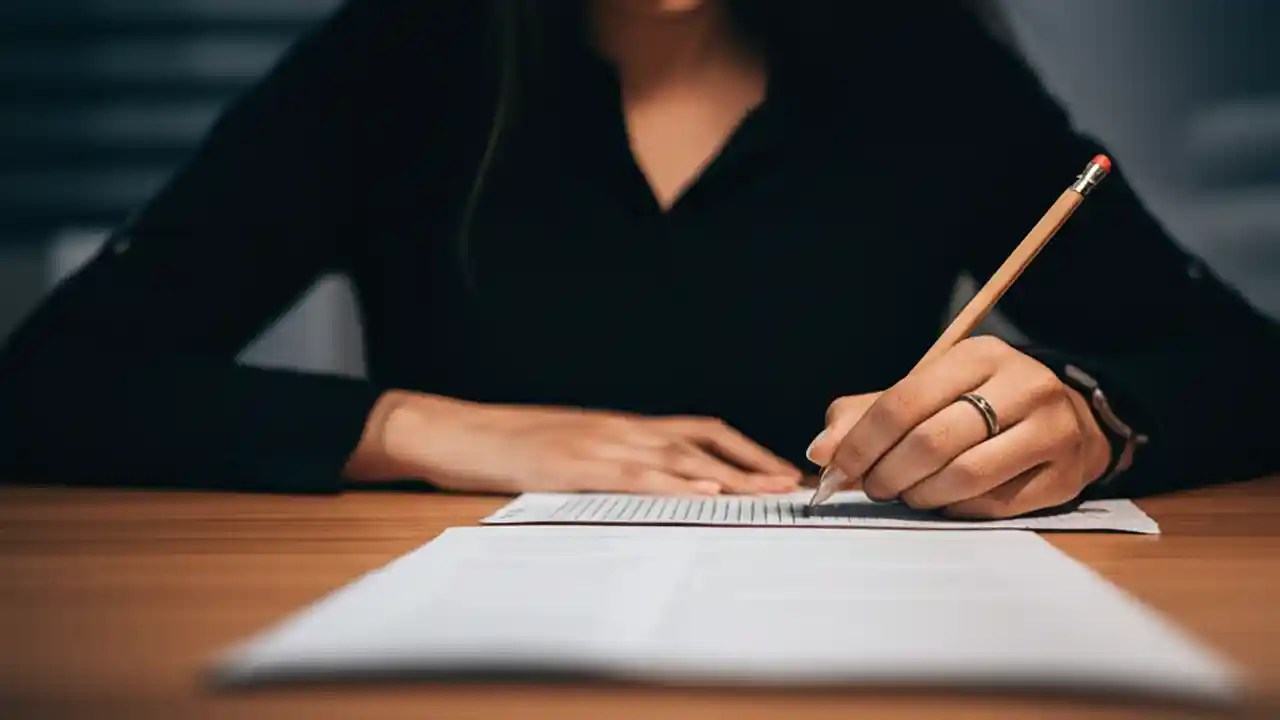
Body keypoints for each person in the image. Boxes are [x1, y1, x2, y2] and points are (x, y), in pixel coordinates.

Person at [0, 0, 1276, 518]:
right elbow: (54, 383)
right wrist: (418, 426)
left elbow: (1243, 367)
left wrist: (1096, 419)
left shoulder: (922, 67)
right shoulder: (396, 59)